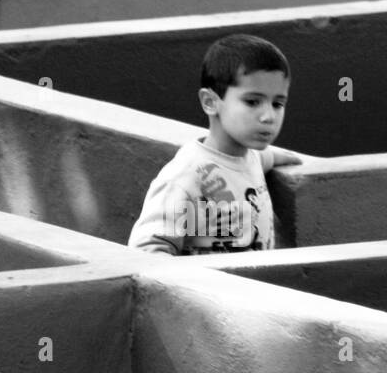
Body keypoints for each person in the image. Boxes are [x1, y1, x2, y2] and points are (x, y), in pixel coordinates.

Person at [128, 34, 302, 255]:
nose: (268, 116)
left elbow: (261, 158)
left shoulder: (251, 157)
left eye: (278, 103)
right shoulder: (187, 177)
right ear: (210, 102)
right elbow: (148, 250)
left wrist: (283, 157)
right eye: (252, 102)